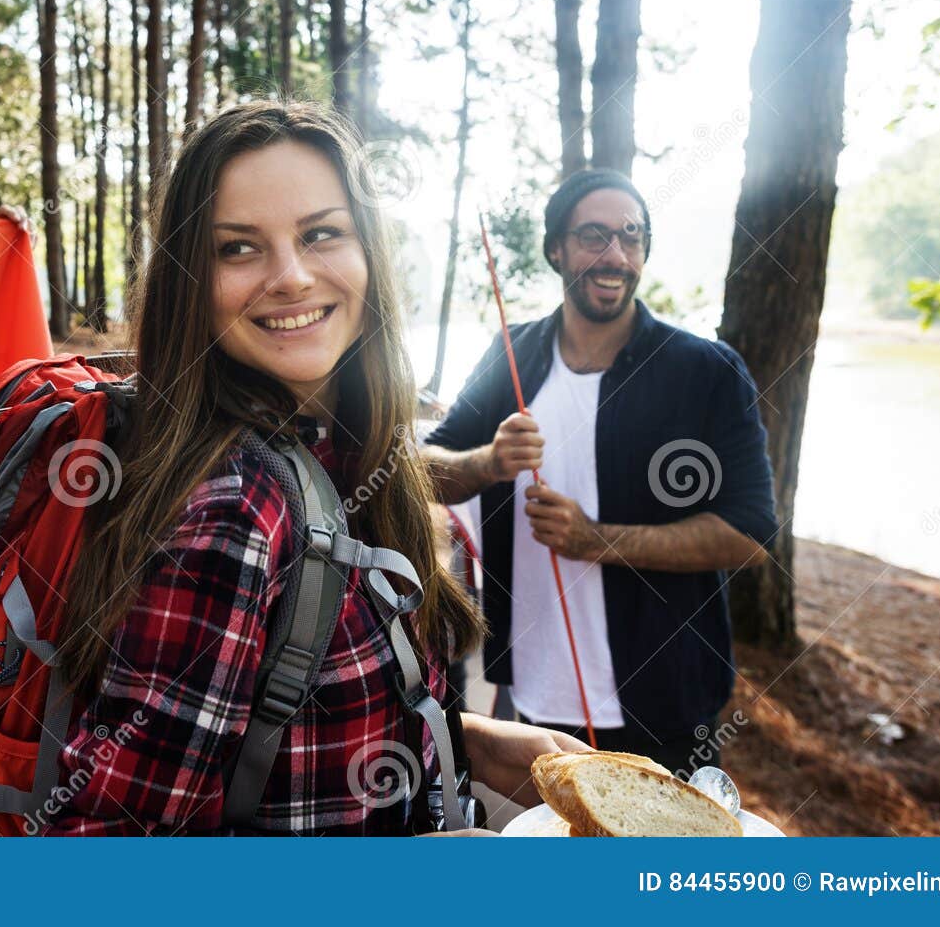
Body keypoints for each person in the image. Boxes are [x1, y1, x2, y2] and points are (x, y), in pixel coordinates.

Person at [41, 100, 589, 836]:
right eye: (238, 248)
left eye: (321, 234)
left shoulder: (338, 452)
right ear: (189, 283)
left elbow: (298, 740)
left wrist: (470, 743)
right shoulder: (238, 509)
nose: (291, 277)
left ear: (368, 252)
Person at [420, 168, 778, 777]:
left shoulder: (705, 371)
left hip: (663, 705)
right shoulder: (514, 352)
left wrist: (597, 540)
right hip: (529, 702)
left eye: (631, 236)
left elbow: (750, 536)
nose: (614, 255)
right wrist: (487, 462)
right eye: (593, 235)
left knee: (655, 873)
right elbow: (421, 472)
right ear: (556, 247)